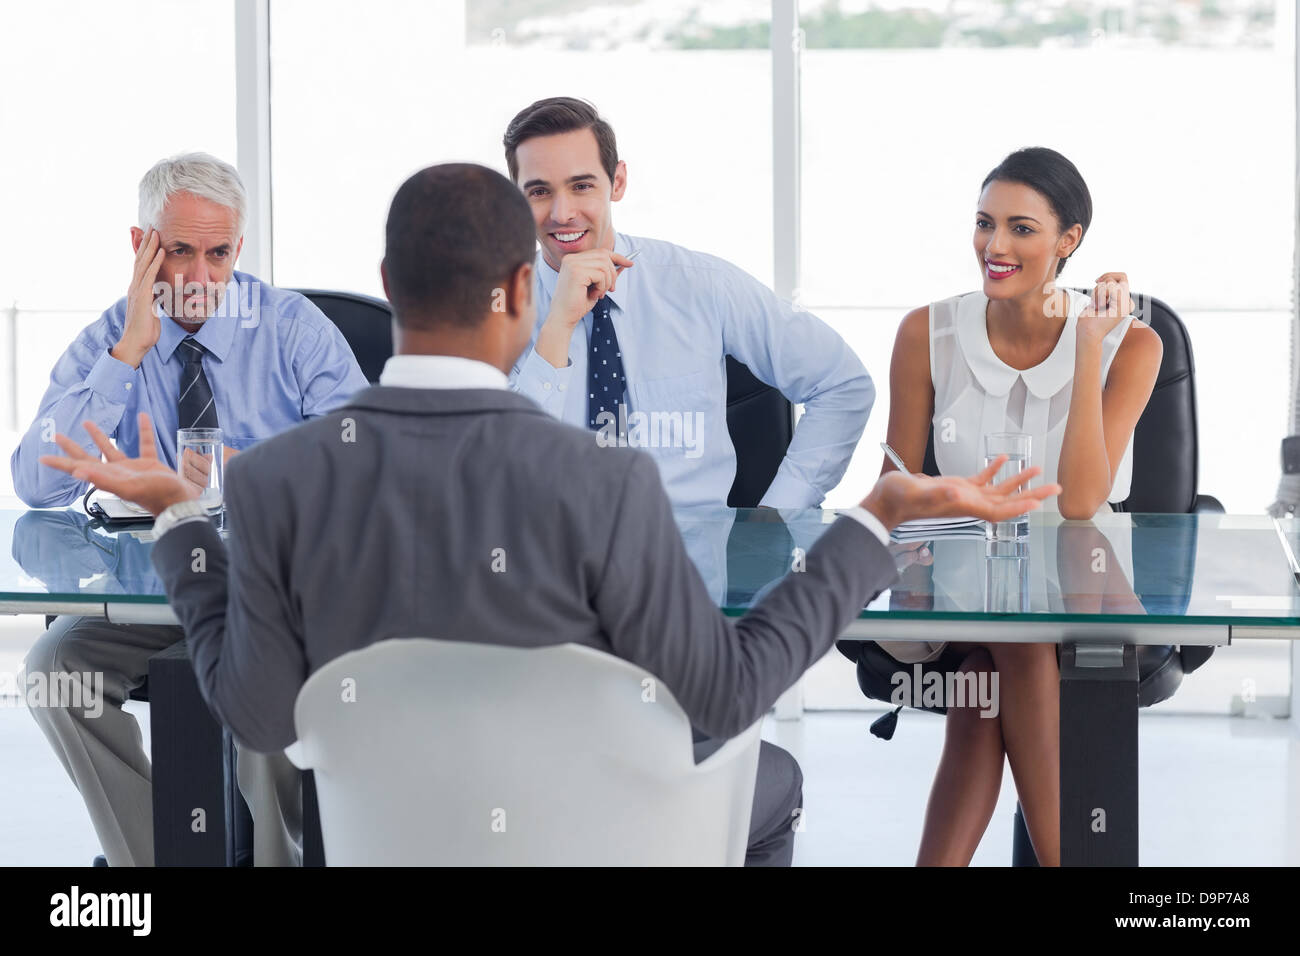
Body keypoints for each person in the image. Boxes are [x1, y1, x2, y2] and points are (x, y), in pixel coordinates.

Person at [40, 162, 1059, 867]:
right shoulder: (605, 482)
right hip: (588, 840)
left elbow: (257, 714)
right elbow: (728, 692)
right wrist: (875, 516)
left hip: (390, 838)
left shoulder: (275, 484)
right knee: (769, 779)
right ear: (526, 289)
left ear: (388, 287)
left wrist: (183, 527)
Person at [17, 152, 369, 866]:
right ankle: (157, 862)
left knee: (257, 678)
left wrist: (245, 471)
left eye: (218, 253)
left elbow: (367, 464)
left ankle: (275, 861)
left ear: (239, 248)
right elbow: (34, 480)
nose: (202, 277)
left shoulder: (291, 329)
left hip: (276, 595)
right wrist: (125, 357)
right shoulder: (113, 338)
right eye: (179, 252)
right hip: (155, 593)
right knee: (55, 670)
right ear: (142, 247)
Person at [862, 147, 1162, 866]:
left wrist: (1088, 346)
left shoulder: (1134, 346)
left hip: (1083, 593)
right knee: (1008, 653)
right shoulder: (925, 333)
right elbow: (894, 488)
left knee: (989, 686)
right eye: (984, 223)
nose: (994, 247)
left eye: (1021, 229)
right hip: (952, 585)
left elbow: (1084, 499)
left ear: (1070, 241)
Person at [504, 96, 874, 510]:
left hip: (688, 562)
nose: (562, 212)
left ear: (618, 181)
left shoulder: (701, 287)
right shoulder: (491, 314)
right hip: (549, 562)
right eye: (539, 191)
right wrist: (558, 323)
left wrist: (778, 518)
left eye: (582, 186)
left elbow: (842, 384)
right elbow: (497, 469)